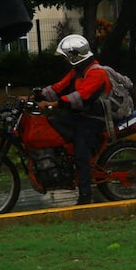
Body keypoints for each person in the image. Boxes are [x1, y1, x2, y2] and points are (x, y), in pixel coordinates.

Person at [38, 34, 112, 204]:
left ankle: (85, 195)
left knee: (81, 154)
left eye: (67, 57)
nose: (66, 60)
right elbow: (58, 87)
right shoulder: (76, 71)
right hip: (78, 115)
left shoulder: (96, 73)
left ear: (74, 56)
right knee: (50, 127)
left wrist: (55, 104)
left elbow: (81, 97)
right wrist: (34, 96)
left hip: (93, 119)